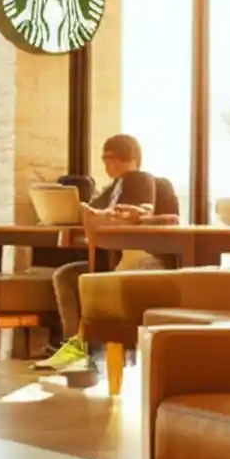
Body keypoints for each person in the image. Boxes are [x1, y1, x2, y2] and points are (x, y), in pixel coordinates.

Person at [33, 134, 178, 371]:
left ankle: (79, 347)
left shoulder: (138, 180)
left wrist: (113, 215)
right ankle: (75, 345)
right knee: (66, 276)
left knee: (70, 277)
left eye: (110, 159)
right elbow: (94, 210)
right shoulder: (113, 188)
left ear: (130, 158)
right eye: (104, 159)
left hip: (132, 264)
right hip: (112, 261)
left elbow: (140, 211)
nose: (106, 165)